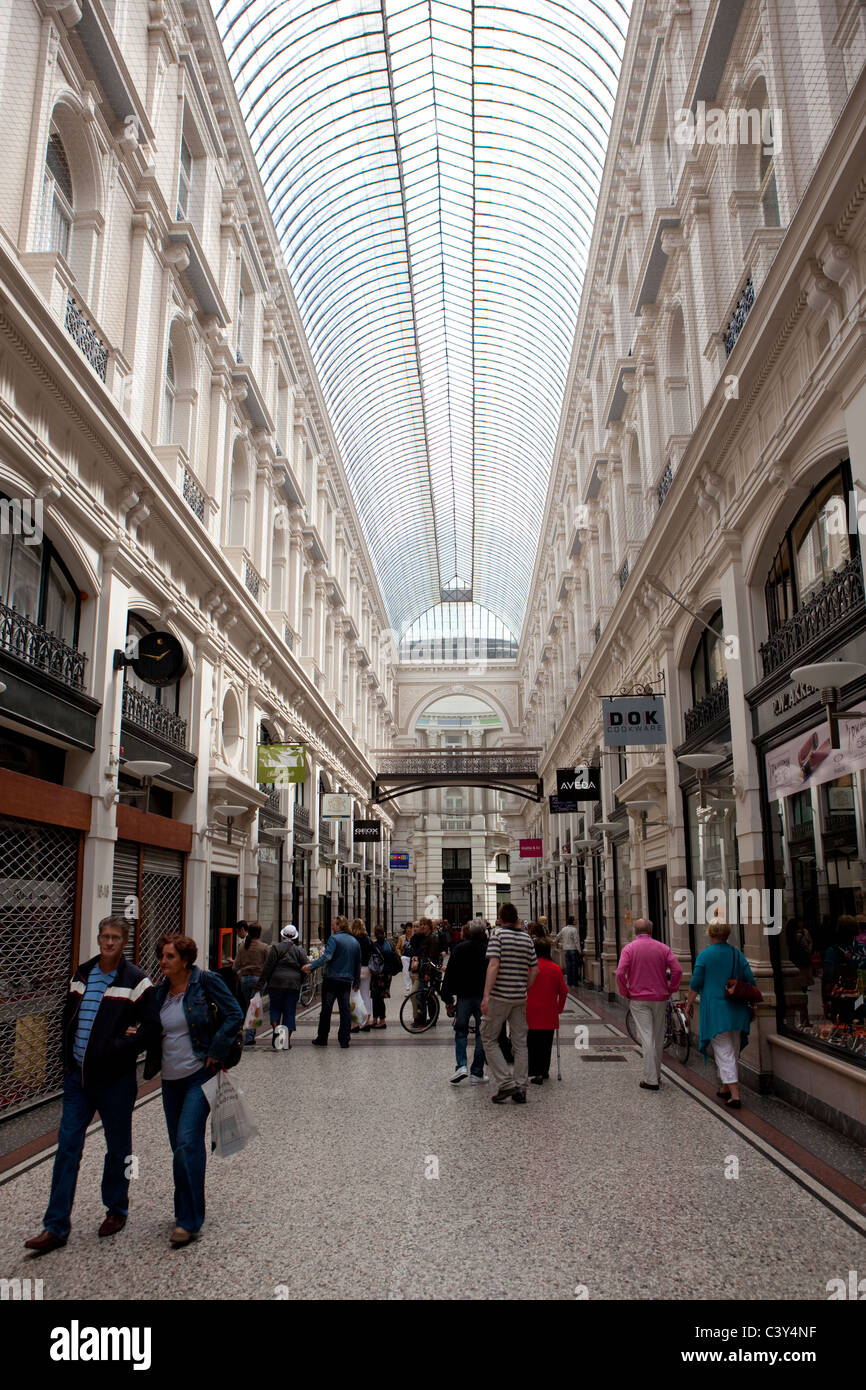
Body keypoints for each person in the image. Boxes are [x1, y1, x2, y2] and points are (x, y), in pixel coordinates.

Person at [24, 916, 161, 1254]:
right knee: (67, 1147)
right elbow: (67, 1017)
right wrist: (67, 1061)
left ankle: (117, 1209)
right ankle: (55, 1226)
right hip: (77, 1080)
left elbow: (151, 1028)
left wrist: (119, 1047)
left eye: (115, 937)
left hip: (114, 1081)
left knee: (117, 1149)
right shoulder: (82, 973)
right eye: (104, 936)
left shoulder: (137, 982)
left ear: (124, 941)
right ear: (98, 938)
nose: (108, 942)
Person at [146, 934, 244, 1246]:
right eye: (162, 956)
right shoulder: (160, 991)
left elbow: (234, 1015)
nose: (163, 962)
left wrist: (216, 1049)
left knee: (188, 1142)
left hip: (199, 1075)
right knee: (180, 1147)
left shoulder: (206, 981)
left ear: (185, 960)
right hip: (169, 1081)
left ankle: (188, 1221)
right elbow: (154, 1028)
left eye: (170, 957)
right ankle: (186, 1209)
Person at [685, 915, 757, 1108]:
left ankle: (735, 1093)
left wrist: (688, 1004)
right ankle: (726, 1087)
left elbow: (695, 984)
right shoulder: (737, 954)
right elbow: (750, 979)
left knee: (724, 1050)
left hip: (716, 1011)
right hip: (737, 1008)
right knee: (732, 1048)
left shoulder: (705, 956)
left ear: (710, 934)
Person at [480, 902, 538, 1104]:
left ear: (500, 918)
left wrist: (486, 995)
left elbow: (493, 964)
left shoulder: (497, 935)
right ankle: (521, 1087)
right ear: (515, 918)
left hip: (499, 996)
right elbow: (535, 970)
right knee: (520, 1043)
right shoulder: (526, 938)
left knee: (488, 1037)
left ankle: (506, 1083)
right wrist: (524, 987)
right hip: (519, 998)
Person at [615, 918, 682, 1091]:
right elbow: (677, 970)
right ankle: (657, 1074)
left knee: (646, 1036)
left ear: (635, 931)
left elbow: (620, 973)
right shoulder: (663, 947)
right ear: (651, 931)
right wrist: (671, 988)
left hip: (638, 998)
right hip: (660, 997)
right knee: (658, 1036)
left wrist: (625, 991)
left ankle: (651, 1079)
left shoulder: (629, 949)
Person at [303, 916, 361, 1048]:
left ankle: (322, 1037)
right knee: (345, 1009)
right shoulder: (354, 941)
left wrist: (311, 966)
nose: (332, 927)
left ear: (340, 925)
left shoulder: (334, 939)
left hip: (332, 979)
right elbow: (358, 963)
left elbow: (326, 957)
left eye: (334, 924)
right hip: (346, 980)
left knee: (326, 1009)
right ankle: (344, 1039)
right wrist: (357, 981)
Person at [441, 921, 488, 1083]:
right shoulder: (488, 948)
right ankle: (477, 1071)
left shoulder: (459, 949)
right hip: (483, 997)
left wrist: (447, 998)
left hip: (464, 997)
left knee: (461, 1031)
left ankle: (461, 1065)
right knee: (482, 1033)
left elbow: (450, 974)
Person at [258, 925, 308, 1049]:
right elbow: (305, 968)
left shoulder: (275, 948)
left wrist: (261, 983)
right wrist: (301, 981)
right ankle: (286, 1042)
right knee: (289, 1011)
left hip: (276, 982)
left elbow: (268, 967)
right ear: (295, 937)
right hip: (293, 984)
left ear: (282, 935)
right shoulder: (300, 951)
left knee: (275, 1008)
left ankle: (276, 1030)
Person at [526, 939, 568, 1083]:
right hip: (549, 1011)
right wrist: (559, 1007)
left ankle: (535, 1072)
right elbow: (563, 991)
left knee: (532, 1043)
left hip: (531, 1011)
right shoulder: (555, 968)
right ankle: (544, 1070)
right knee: (546, 1043)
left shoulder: (529, 968)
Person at [234, 921, 268, 1045]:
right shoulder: (264, 947)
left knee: (248, 1005)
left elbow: (235, 966)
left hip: (244, 979)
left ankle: (244, 1032)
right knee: (254, 1007)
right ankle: (249, 1037)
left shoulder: (242, 947)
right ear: (259, 933)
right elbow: (268, 965)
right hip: (258, 980)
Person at [369, 924, 397, 1028]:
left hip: (378, 974)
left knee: (376, 998)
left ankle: (380, 1020)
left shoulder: (375, 945)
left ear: (375, 934)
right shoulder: (388, 944)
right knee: (379, 998)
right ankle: (378, 1019)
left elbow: (373, 961)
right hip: (387, 974)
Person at [350, 917, 374, 1031]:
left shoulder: (352, 939)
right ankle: (367, 1022)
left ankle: (355, 1023)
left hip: (355, 969)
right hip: (366, 969)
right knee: (365, 995)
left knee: (354, 996)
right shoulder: (367, 939)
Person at [557, 915, 582, 987]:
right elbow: (576, 941)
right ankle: (574, 982)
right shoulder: (574, 930)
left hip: (566, 950)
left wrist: (554, 941)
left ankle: (569, 981)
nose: (576, 921)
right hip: (573, 949)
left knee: (568, 966)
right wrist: (579, 951)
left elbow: (558, 936)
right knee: (574, 967)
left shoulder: (564, 929)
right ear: (572, 921)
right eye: (575, 920)